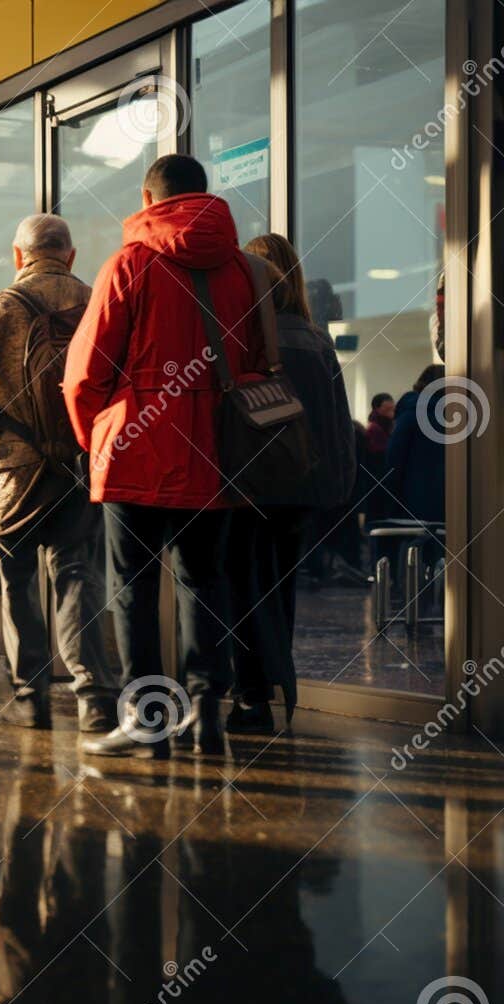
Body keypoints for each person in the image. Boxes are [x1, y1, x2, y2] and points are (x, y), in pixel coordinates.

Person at [63, 154, 265, 758]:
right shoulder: (244, 269)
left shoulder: (129, 263)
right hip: (217, 451)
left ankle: (147, 720)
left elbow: (85, 372)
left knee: (134, 586)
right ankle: (206, 713)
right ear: (204, 196)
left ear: (148, 199)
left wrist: (95, 438)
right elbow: (256, 360)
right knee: (205, 581)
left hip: (136, 450)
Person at [0, 213, 116, 732]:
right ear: (70, 255)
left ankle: (31, 695)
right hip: (80, 468)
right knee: (77, 575)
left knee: (17, 582)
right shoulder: (98, 303)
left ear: (19, 256)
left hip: (8, 474)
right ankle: (94, 697)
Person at [224, 233, 358, 732]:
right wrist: (337, 486)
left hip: (251, 483)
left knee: (243, 585)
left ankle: (252, 697)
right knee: (279, 588)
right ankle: (282, 685)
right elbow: (338, 424)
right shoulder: (316, 340)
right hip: (302, 487)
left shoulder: (245, 338)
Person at [387, 363, 447, 525]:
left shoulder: (411, 413)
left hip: (413, 497)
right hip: (452, 498)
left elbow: (394, 459)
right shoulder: (456, 416)